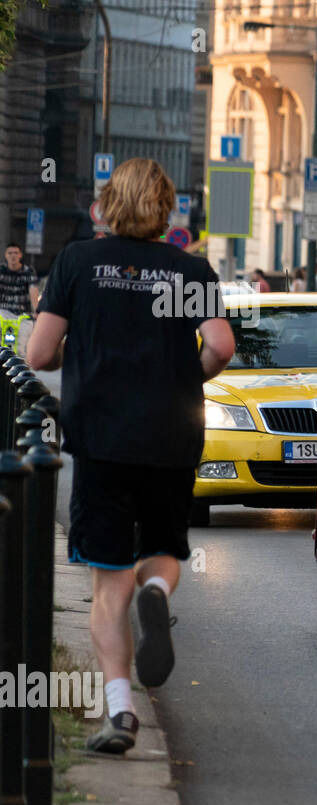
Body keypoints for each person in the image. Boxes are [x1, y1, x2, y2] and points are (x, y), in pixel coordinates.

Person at [24, 158, 236, 754]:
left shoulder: (79, 263)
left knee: (106, 581)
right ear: (166, 208)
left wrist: (81, 352)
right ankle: (160, 594)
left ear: (106, 205)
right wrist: (183, 377)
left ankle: (120, 714)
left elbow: (39, 355)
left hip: (101, 437)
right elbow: (221, 345)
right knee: (164, 550)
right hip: (171, 434)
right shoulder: (191, 269)